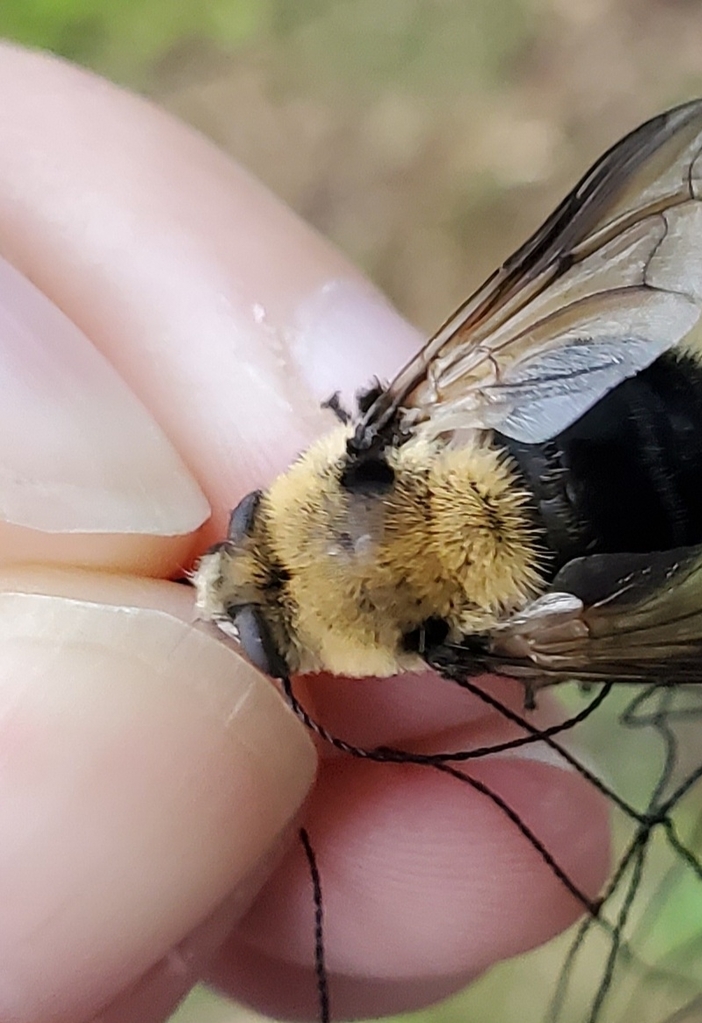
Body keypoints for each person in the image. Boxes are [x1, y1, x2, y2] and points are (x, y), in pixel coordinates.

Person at [0, 42, 609, 1023]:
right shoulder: (382, 443)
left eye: (245, 532)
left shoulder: (451, 642)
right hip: (608, 424)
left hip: (604, 524)